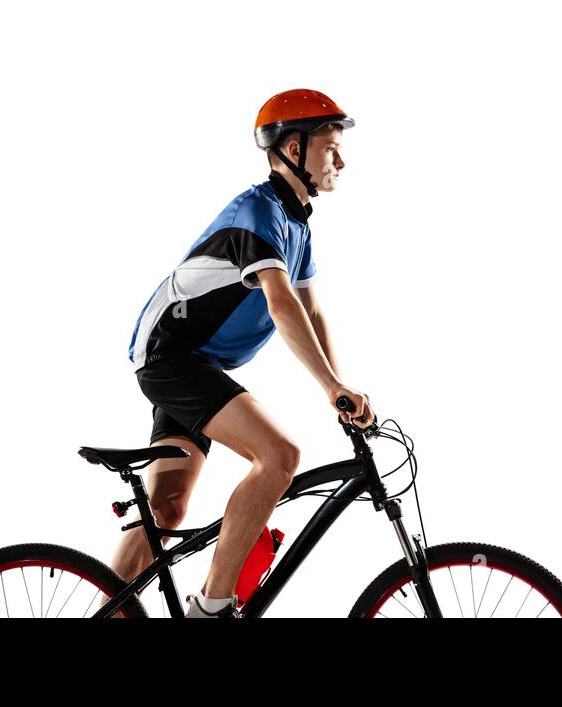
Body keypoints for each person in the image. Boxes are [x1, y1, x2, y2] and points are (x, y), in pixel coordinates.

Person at [110, 88, 375, 618]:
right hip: (171, 356)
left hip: (194, 363)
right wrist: (330, 387)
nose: (340, 160)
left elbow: (313, 313)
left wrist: (340, 391)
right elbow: (281, 304)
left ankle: (106, 610)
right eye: (330, 147)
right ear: (293, 150)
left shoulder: (297, 225)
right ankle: (212, 608)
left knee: (167, 507)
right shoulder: (258, 211)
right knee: (279, 457)